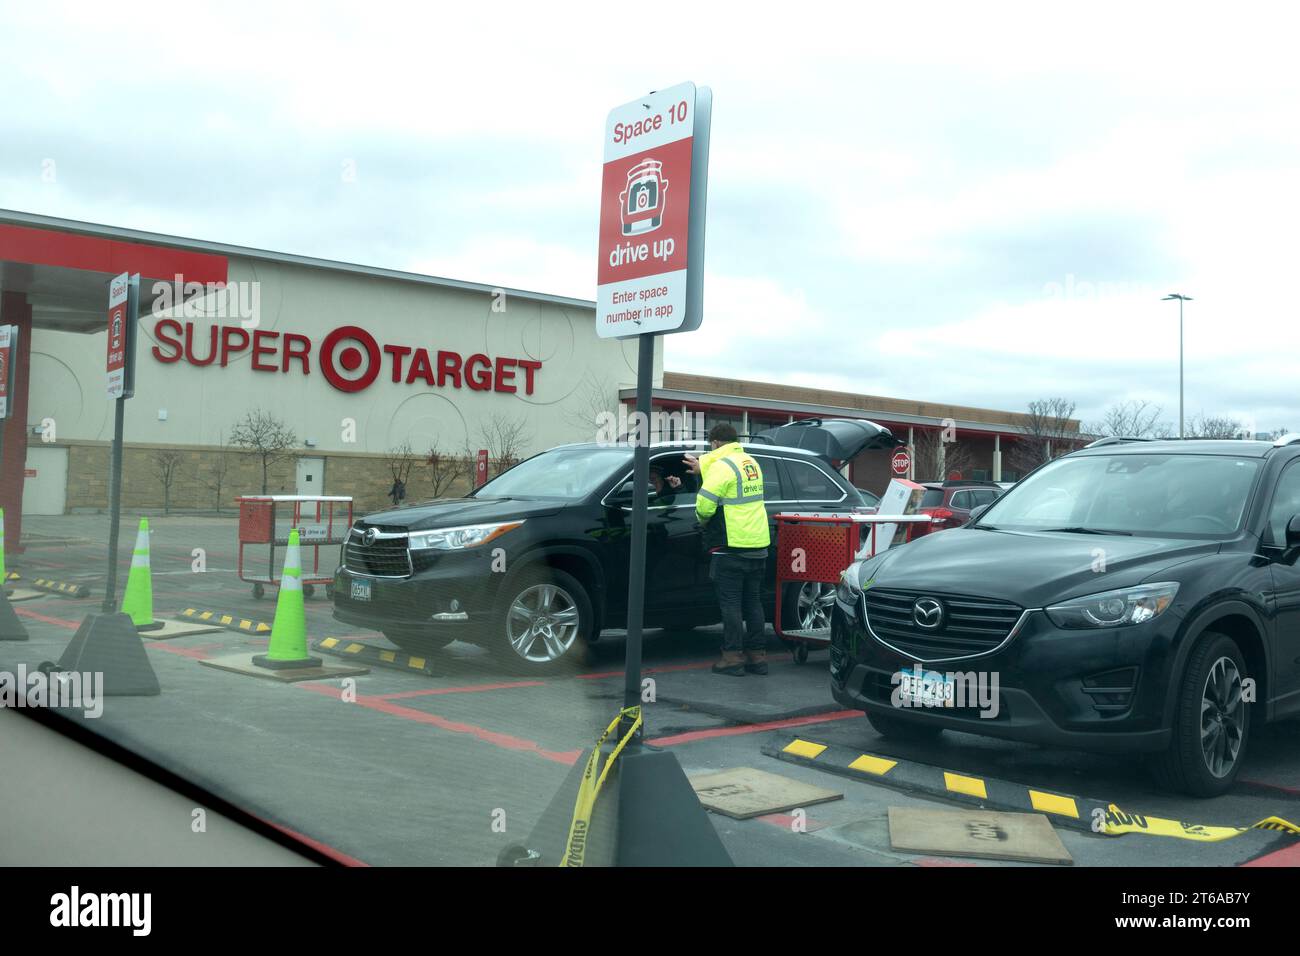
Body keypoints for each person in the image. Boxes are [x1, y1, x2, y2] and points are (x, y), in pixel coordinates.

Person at [687, 423, 771, 676]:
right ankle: (758, 657)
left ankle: (732, 657)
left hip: (731, 545)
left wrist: (701, 520)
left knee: (731, 604)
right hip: (758, 544)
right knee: (753, 602)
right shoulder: (750, 462)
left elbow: (705, 505)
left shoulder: (722, 466)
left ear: (714, 444)